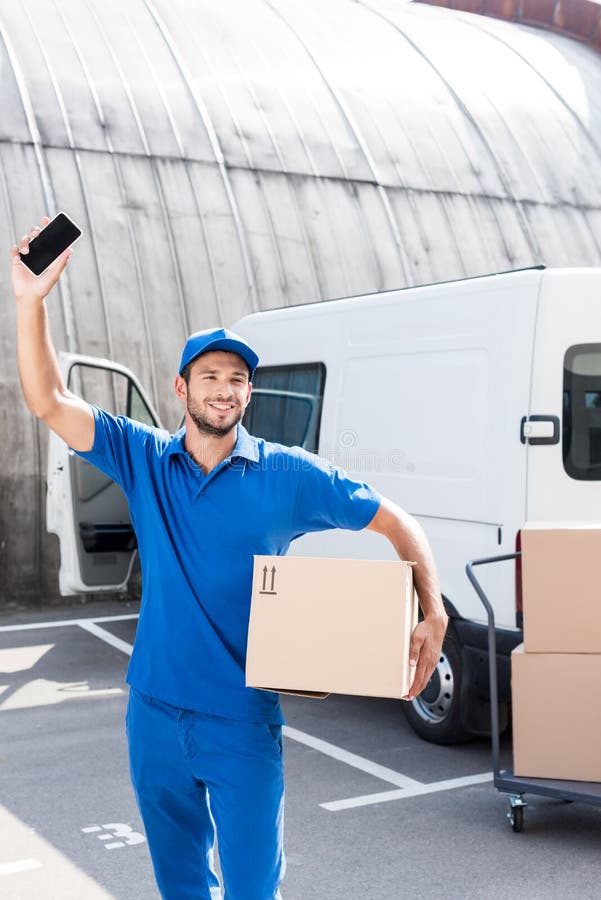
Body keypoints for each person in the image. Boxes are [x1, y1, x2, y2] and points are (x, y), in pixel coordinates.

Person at [12, 219, 448, 900]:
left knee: (251, 890)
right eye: (210, 375)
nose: (224, 388)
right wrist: (30, 302)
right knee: (180, 887)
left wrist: (432, 608)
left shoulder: (288, 476)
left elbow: (398, 522)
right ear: (181, 388)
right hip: (152, 714)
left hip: (242, 721)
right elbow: (48, 400)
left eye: (238, 378)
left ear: (249, 393)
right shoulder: (145, 457)